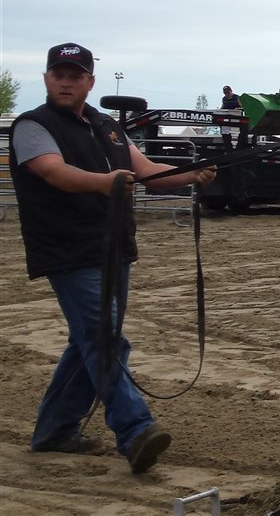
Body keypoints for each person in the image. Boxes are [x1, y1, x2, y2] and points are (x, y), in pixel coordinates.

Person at [10, 42, 218, 474]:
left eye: (75, 75)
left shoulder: (107, 127)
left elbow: (147, 172)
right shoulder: (33, 125)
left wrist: (193, 174)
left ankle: (55, 430)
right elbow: (52, 171)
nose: (66, 81)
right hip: (68, 249)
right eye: (59, 74)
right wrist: (103, 182)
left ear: (90, 81)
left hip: (112, 248)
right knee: (103, 339)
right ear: (47, 78)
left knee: (87, 341)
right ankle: (134, 429)